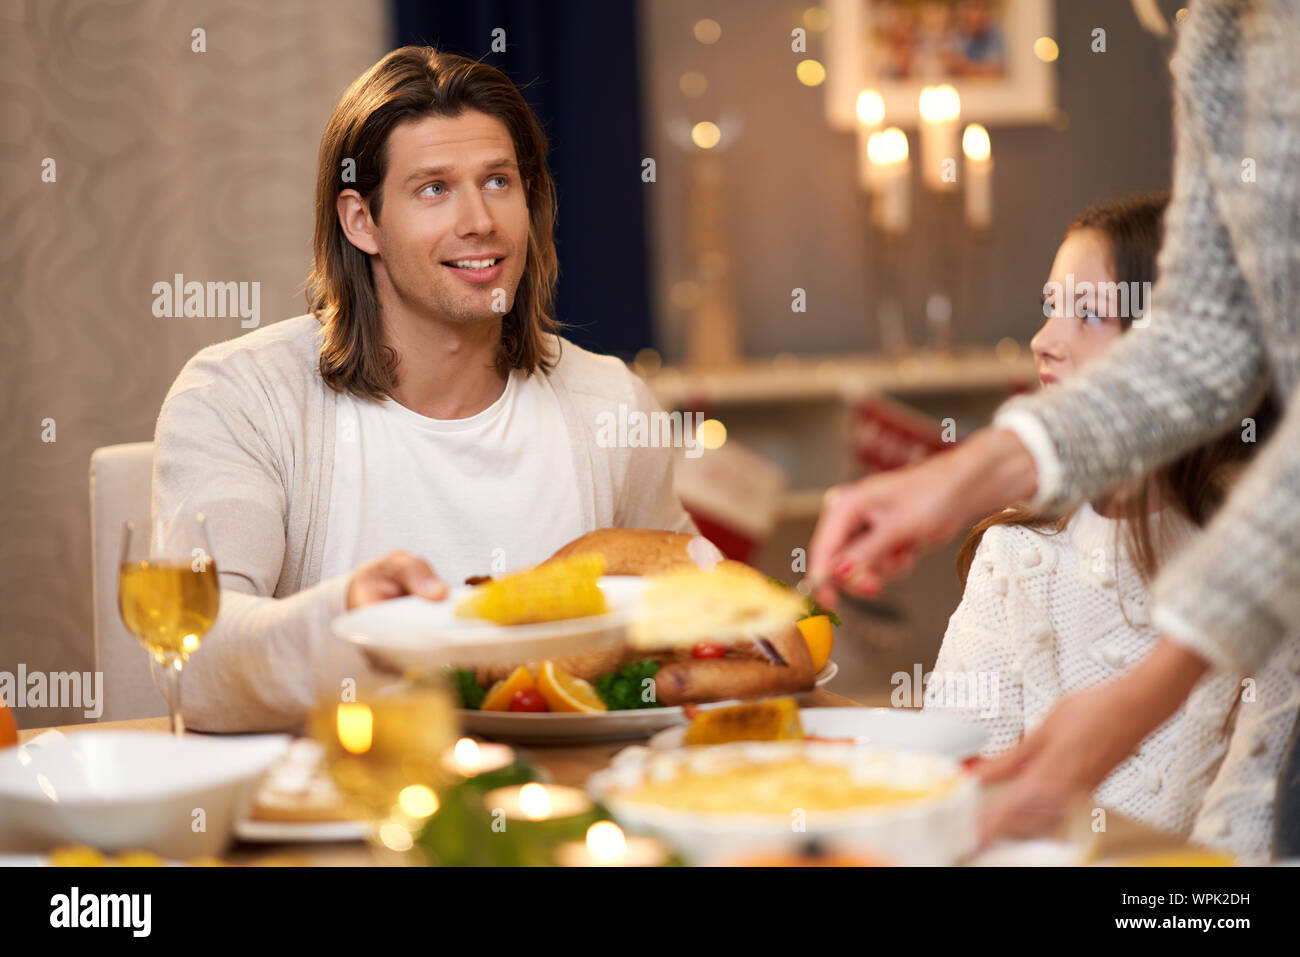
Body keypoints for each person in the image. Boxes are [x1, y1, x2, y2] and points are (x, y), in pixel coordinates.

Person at [810, 1, 1300, 847]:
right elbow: (1210, 333)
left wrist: (1152, 688)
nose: (1046, 341)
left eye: (1089, 314)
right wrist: (975, 472)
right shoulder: (1218, 30)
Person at [151, 47, 694, 733]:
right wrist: (349, 614)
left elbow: (690, 604)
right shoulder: (238, 397)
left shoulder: (612, 404)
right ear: (361, 221)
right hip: (337, 816)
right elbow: (194, 660)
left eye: (498, 181)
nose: (479, 221)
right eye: (434, 188)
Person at [926, 194, 1293, 857]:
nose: (1044, 340)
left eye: (1088, 314)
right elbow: (957, 775)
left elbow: (1241, 846)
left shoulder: (1264, 579)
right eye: (1050, 307)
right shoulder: (1013, 556)